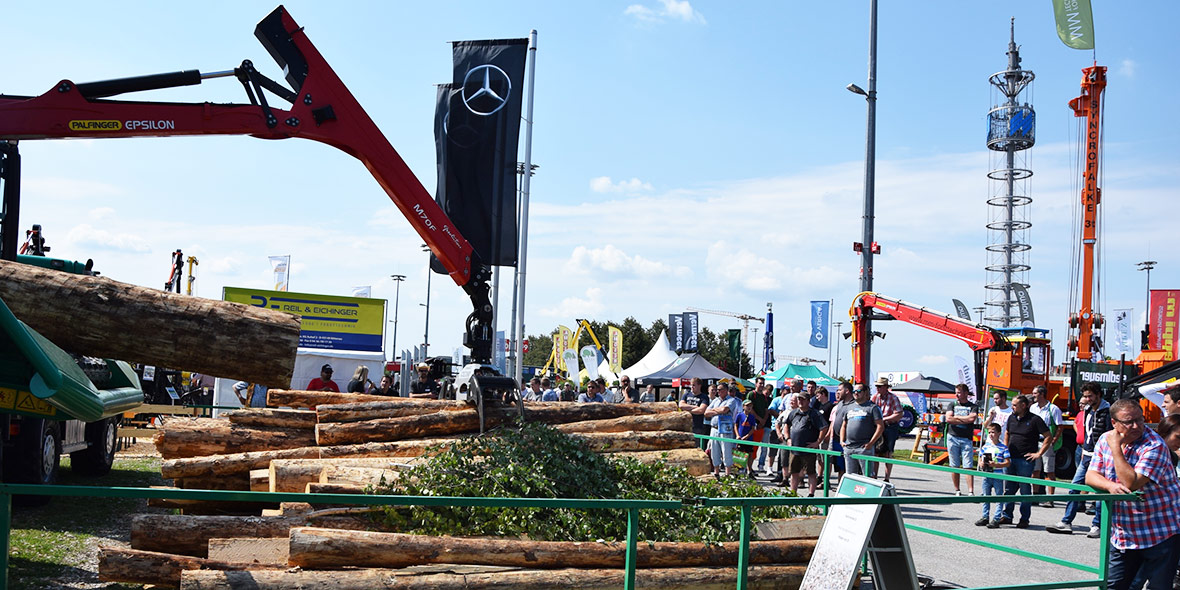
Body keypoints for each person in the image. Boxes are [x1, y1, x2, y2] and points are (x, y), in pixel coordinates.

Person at [1085, 399, 1180, 590]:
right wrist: (1110, 486)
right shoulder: (1105, 439)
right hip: (1124, 534)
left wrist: (1115, 448)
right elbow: (1090, 476)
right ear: (1114, 423)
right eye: (1128, 422)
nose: (1136, 426)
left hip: (1160, 532)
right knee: (1114, 585)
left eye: (1139, 419)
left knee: (1159, 587)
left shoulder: (1154, 445)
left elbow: (1132, 483)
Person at [1047, 382, 1111, 537]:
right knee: (1074, 488)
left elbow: (1109, 435)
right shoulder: (1088, 410)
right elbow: (1087, 432)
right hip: (1086, 455)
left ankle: (1098, 525)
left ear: (1098, 395)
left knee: (1099, 492)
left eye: (1090, 396)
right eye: (1085, 396)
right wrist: (1083, 448)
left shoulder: (1107, 411)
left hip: (1100, 458)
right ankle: (1066, 521)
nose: (1087, 399)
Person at [990, 394, 1052, 529]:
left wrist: (1039, 453)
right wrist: (1005, 449)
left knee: (1024, 489)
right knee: (1009, 489)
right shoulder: (1011, 418)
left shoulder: (1035, 420)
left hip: (1025, 460)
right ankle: (1007, 516)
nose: (1012, 407)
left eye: (1014, 405)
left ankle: (1024, 519)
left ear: (1023, 406)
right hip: (1011, 459)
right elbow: (1007, 433)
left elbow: (1048, 436)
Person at [786, 393, 827, 496]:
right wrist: (788, 438)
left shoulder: (815, 414)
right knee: (794, 473)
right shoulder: (794, 413)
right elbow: (786, 424)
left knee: (811, 473)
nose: (800, 401)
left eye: (803, 399)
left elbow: (824, 428)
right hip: (794, 449)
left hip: (808, 450)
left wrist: (818, 442)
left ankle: (811, 494)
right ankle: (793, 493)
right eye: (799, 399)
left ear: (808, 401)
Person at [840, 383, 884, 477]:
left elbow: (880, 427)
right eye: (854, 391)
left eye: (859, 391)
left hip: (864, 448)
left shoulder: (873, 408)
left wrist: (871, 443)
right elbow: (844, 425)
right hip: (849, 447)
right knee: (850, 476)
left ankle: (868, 492)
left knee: (868, 476)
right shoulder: (849, 407)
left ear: (865, 393)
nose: (856, 393)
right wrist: (842, 441)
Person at [1030, 384, 1063, 506]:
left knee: (1049, 471)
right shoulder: (1033, 408)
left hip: (1046, 442)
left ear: (1042, 394)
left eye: (1035, 393)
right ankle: (1035, 496)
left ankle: (1050, 498)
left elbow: (1060, 426)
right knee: (1035, 470)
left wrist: (1053, 440)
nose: (1033, 395)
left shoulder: (1053, 409)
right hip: (1035, 442)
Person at [945, 383, 979, 495]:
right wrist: (964, 418)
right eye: (956, 392)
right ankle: (957, 490)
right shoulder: (952, 404)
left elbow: (972, 418)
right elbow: (949, 419)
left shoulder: (972, 406)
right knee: (954, 465)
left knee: (968, 465)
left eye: (959, 392)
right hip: (952, 437)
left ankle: (970, 491)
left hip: (966, 439)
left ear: (965, 393)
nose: (957, 395)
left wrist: (957, 418)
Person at [976, 422, 1011, 526]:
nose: (991, 434)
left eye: (993, 432)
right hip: (987, 475)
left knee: (998, 497)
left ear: (999, 433)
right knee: (986, 496)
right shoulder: (986, 446)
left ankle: (996, 518)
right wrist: (981, 463)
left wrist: (996, 464)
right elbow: (980, 458)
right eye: (989, 432)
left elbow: (1008, 462)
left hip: (997, 475)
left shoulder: (1003, 448)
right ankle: (985, 516)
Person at [704, 383, 742, 478]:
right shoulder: (715, 400)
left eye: (720, 390)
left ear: (725, 390)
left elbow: (725, 410)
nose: (718, 392)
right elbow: (706, 412)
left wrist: (714, 411)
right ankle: (716, 472)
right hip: (714, 428)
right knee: (714, 450)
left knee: (726, 450)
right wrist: (718, 410)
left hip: (725, 429)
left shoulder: (731, 400)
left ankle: (727, 473)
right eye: (717, 390)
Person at [871, 377, 904, 481]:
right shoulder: (875, 397)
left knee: (887, 453)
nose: (877, 388)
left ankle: (886, 478)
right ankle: (874, 477)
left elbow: (899, 414)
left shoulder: (893, 398)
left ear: (886, 387)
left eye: (879, 386)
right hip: (877, 427)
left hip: (890, 427)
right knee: (875, 452)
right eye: (877, 386)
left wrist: (883, 419)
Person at [826, 381, 856, 485]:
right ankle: (840, 488)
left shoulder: (854, 404)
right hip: (836, 440)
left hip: (848, 441)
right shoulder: (840, 404)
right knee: (839, 467)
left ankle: (848, 489)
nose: (837, 392)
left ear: (847, 391)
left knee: (849, 468)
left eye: (839, 390)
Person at [747, 382, 772, 476]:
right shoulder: (751, 394)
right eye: (760, 383)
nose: (761, 385)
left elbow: (767, 410)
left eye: (763, 384)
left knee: (755, 448)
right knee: (747, 448)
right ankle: (745, 468)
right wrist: (758, 418)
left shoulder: (764, 397)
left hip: (761, 426)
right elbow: (749, 407)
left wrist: (763, 421)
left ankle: (751, 469)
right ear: (756, 384)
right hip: (750, 425)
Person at [680, 377, 709, 449]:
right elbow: (681, 405)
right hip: (685, 425)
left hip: (697, 426)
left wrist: (688, 410)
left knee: (696, 447)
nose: (691, 387)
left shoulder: (704, 397)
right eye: (691, 385)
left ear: (699, 386)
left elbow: (701, 410)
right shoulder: (686, 395)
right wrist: (694, 407)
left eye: (694, 385)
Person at [735, 400, 759, 478]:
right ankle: (738, 470)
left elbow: (753, 428)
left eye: (750, 406)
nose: (749, 407)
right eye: (747, 406)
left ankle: (749, 470)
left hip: (749, 439)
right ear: (743, 406)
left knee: (750, 454)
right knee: (739, 454)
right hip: (740, 438)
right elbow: (736, 425)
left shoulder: (752, 417)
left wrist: (747, 436)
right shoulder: (739, 415)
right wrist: (738, 435)